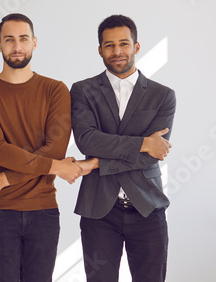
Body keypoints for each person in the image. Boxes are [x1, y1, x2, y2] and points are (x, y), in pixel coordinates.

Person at [0, 13, 81, 282]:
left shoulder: (56, 90)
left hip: (43, 210)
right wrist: (55, 167)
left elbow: (55, 151)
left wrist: (3, 180)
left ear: (34, 42)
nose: (17, 46)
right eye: (9, 40)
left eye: (23, 39)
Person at [70, 14, 174, 282]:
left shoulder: (163, 95)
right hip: (99, 211)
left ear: (136, 46)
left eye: (124, 44)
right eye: (109, 45)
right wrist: (143, 143)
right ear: (100, 50)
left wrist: (96, 163)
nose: (117, 51)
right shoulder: (83, 91)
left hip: (147, 206)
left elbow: (152, 156)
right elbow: (87, 140)